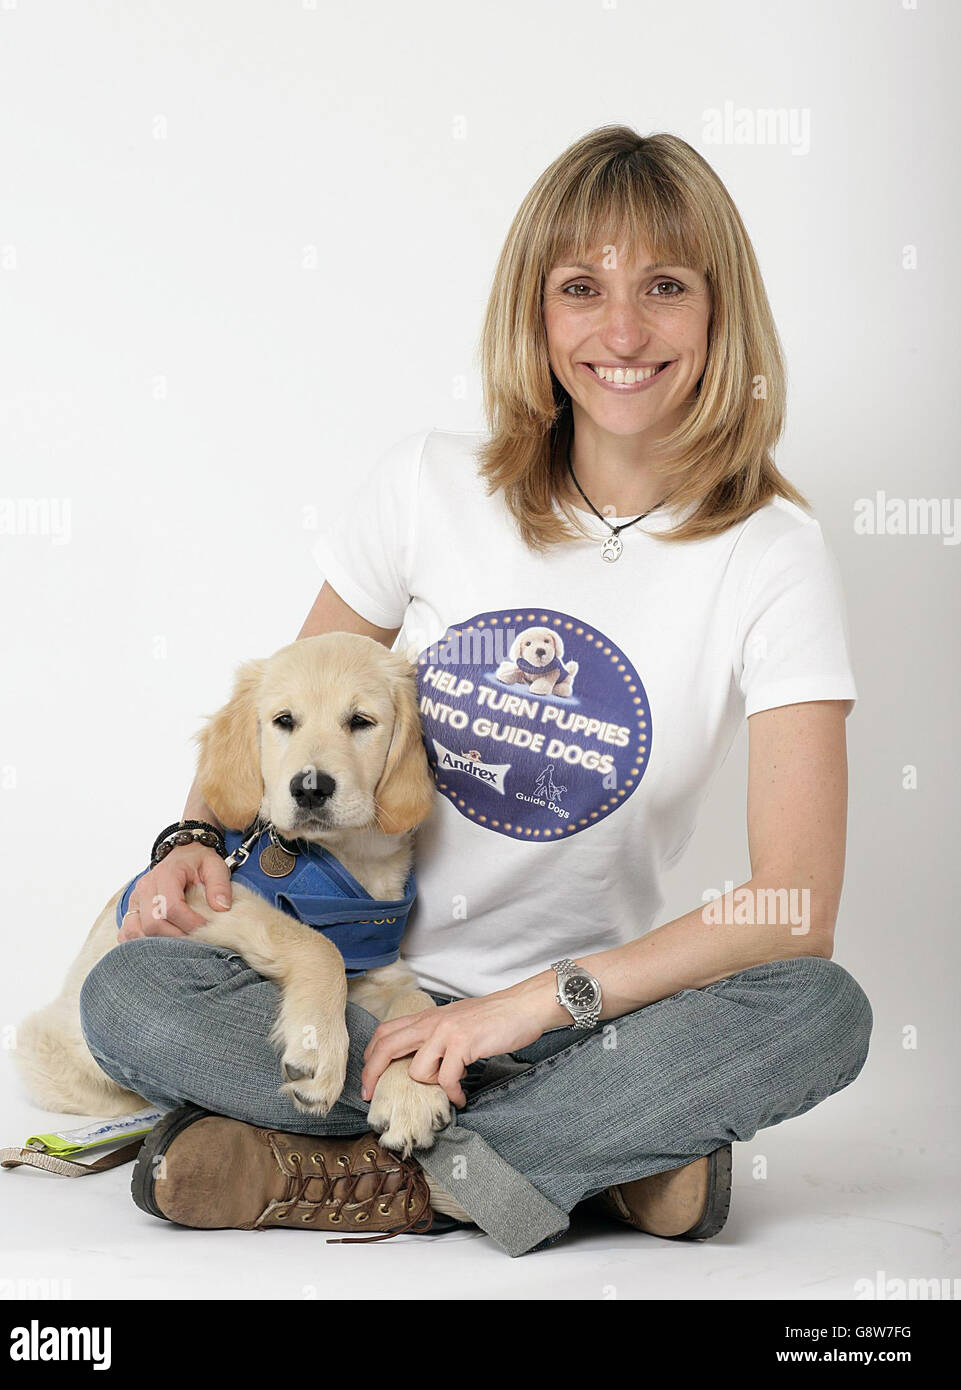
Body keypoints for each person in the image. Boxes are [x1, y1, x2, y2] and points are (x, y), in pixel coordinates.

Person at [80, 125, 872, 1257]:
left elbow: (793, 905)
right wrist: (189, 838)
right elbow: (289, 715)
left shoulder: (769, 554)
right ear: (534, 314)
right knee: (130, 996)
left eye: (664, 286)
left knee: (818, 1010)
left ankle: (372, 1171)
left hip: (586, 1022)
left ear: (718, 312)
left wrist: (527, 1006)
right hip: (369, 998)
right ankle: (578, 1162)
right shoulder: (426, 486)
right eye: (580, 288)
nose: (622, 330)